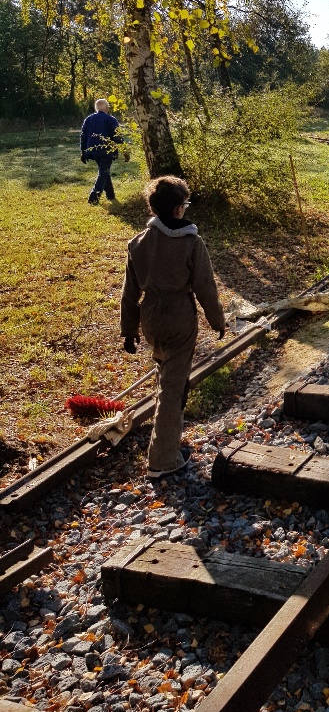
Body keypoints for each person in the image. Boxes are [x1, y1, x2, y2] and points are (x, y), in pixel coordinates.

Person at [120, 176, 226, 480]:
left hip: (150, 316)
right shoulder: (191, 242)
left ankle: (165, 438)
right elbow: (205, 287)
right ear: (179, 209)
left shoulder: (138, 243)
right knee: (173, 387)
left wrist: (129, 330)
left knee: (164, 372)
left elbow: (129, 293)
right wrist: (217, 321)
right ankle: (163, 459)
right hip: (179, 315)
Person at [80, 98, 122, 204]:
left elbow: (83, 136)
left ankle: (110, 195)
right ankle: (94, 197)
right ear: (106, 108)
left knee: (104, 171)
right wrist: (123, 150)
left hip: (93, 151)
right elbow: (117, 136)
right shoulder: (111, 119)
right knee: (103, 173)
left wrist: (83, 151)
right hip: (107, 150)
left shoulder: (89, 119)